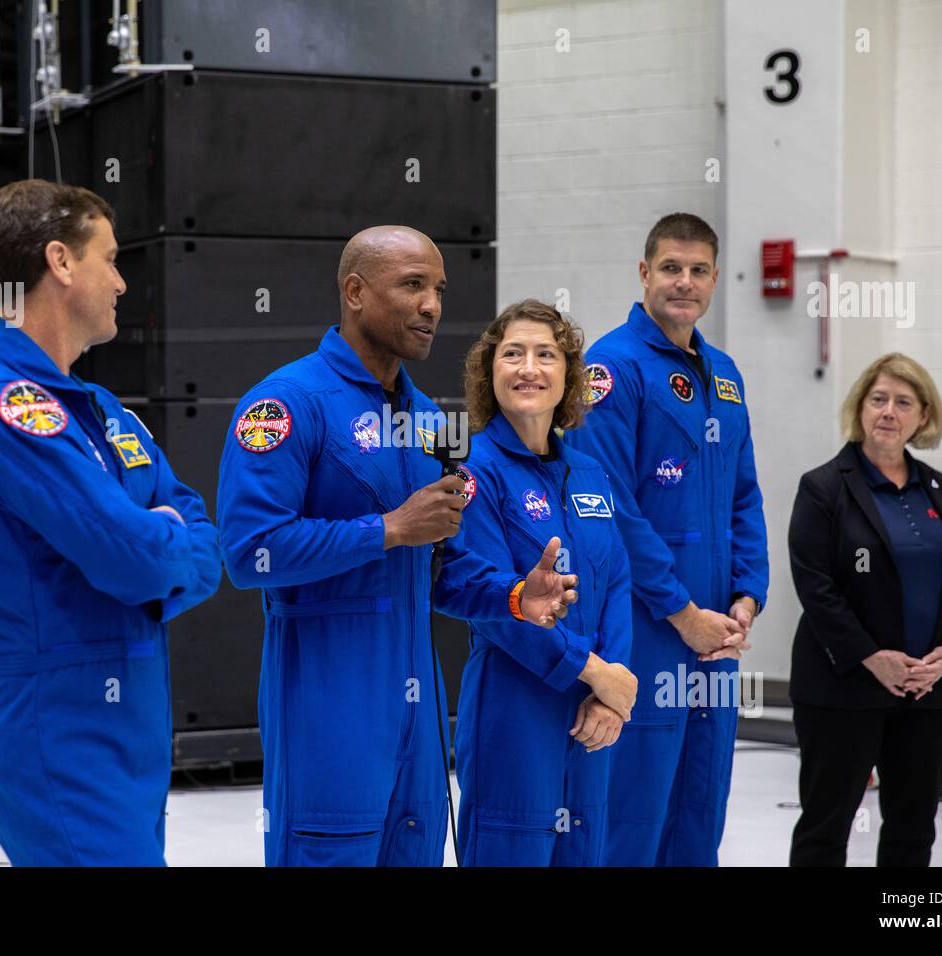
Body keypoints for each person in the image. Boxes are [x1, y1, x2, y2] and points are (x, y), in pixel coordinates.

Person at [216, 226, 582, 867]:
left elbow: (438, 572)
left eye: (438, 288)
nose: (432, 305)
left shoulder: (429, 423)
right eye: (412, 285)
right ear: (355, 292)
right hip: (328, 705)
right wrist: (386, 529)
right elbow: (250, 552)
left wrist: (516, 596)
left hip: (418, 711)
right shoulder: (286, 403)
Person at [0, 179, 223, 865]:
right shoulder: (2, 410)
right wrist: (161, 541)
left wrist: (162, 537)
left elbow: (205, 536)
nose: (122, 282)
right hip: (60, 735)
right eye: (111, 259)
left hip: (128, 731)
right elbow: (135, 559)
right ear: (61, 262)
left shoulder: (97, 408)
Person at [565, 212, 769, 866]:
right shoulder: (610, 369)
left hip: (717, 635)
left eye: (699, 269)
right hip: (648, 627)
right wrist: (681, 613)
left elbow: (744, 495)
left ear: (713, 279)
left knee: (701, 801)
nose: (685, 281)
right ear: (644, 272)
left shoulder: (726, 374)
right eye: (672, 268)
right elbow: (613, 510)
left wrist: (746, 598)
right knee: (635, 807)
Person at [454, 299, 637, 866]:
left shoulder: (587, 471)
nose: (528, 368)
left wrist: (610, 690)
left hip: (591, 712)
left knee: (582, 850)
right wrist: (594, 670)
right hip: (515, 705)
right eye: (512, 354)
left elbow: (617, 581)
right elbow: (487, 597)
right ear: (491, 373)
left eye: (545, 355)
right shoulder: (471, 470)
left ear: (567, 376)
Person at [787, 353, 942, 866]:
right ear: (860, 409)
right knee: (827, 826)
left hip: (926, 690)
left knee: (914, 828)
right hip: (842, 688)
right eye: (878, 399)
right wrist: (873, 657)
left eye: (903, 402)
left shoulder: (940, 487)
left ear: (923, 417)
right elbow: (815, 585)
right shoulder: (824, 487)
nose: (888, 412)